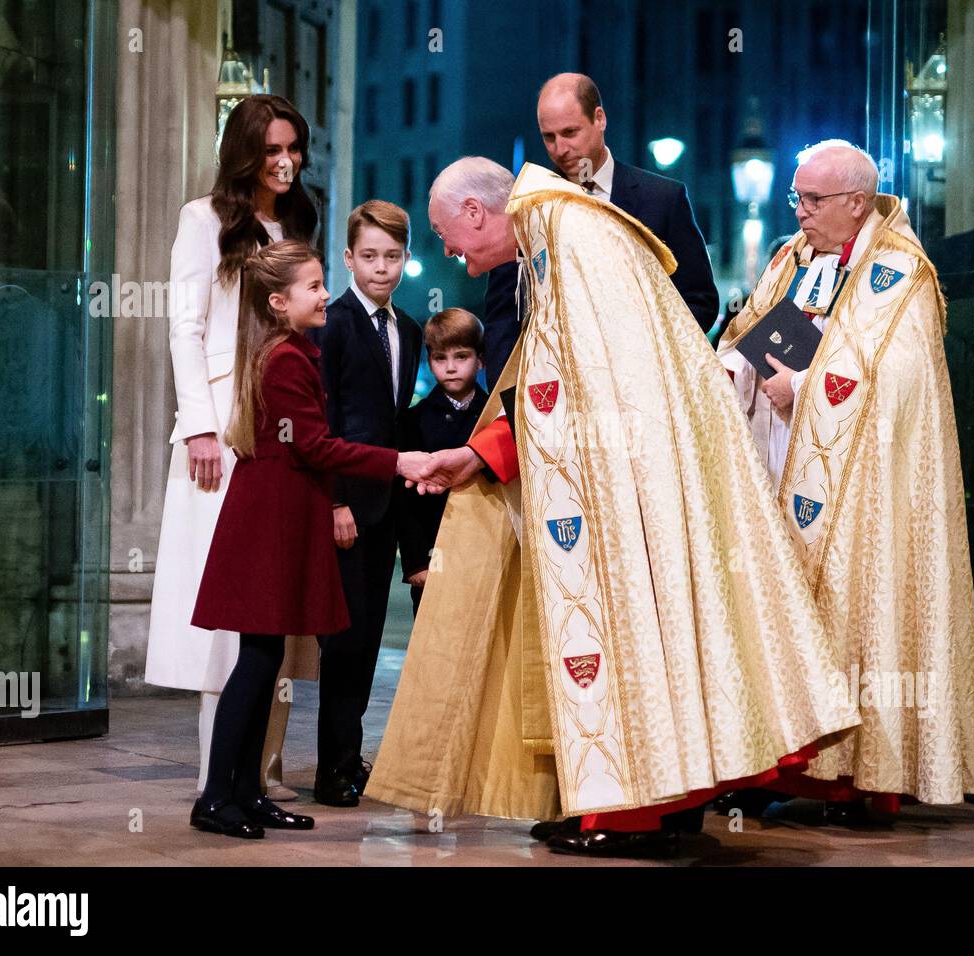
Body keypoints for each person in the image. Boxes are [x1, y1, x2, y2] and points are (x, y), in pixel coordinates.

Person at [362, 157, 860, 858]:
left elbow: (583, 385)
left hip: (629, 484)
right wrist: (483, 456)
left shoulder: (571, 238)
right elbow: (562, 378)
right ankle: (631, 804)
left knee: (636, 631)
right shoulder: (559, 233)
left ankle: (636, 813)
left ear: (477, 213)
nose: (451, 254)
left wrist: (488, 453)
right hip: (630, 474)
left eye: (449, 236)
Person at [717, 140, 974, 816]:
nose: (801, 213)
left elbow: (902, 378)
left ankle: (862, 780)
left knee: (858, 608)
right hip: (778, 459)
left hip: (861, 487)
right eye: (797, 198)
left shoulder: (901, 271)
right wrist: (731, 370)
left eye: (813, 201)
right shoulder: (793, 260)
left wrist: (805, 388)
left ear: (856, 202)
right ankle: (785, 769)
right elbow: (748, 332)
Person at [188, 240, 436, 838]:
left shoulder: (291, 349)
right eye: (313, 286)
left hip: (279, 511)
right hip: (271, 517)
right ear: (279, 302)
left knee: (266, 656)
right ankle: (216, 795)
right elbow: (315, 446)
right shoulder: (287, 358)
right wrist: (400, 461)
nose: (325, 294)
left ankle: (246, 791)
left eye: (324, 283)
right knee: (256, 660)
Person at [145, 94, 317, 802]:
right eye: (272, 149)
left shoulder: (297, 220)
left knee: (276, 616)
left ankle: (262, 779)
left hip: (283, 436)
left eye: (294, 148)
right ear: (245, 151)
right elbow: (184, 326)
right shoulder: (203, 219)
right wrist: (200, 426)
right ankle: (219, 784)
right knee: (232, 617)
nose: (285, 161)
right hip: (223, 435)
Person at [481, 73, 719, 386]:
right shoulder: (527, 210)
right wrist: (512, 402)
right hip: (558, 399)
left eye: (570, 132)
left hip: (646, 389)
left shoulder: (663, 199)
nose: (560, 148)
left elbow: (699, 300)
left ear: (599, 119)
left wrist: (643, 354)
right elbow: (503, 319)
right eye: (548, 137)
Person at [306, 200, 423, 807]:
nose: (382, 268)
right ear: (348, 258)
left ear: (406, 258)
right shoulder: (334, 323)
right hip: (347, 506)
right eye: (370, 256)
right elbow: (327, 418)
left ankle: (351, 760)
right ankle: (332, 772)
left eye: (392, 256)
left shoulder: (409, 329)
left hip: (386, 507)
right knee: (343, 644)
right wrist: (334, 503)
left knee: (370, 641)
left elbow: (395, 422)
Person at [397, 308, 487, 616]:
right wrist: (416, 561)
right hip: (435, 549)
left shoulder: (496, 417)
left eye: (461, 357)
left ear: (481, 359)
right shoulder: (414, 420)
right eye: (440, 358)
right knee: (432, 641)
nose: (450, 368)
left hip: (485, 549)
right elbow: (406, 498)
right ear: (430, 360)